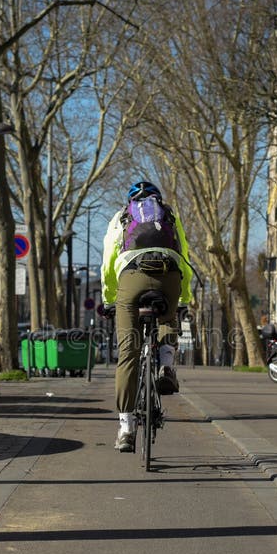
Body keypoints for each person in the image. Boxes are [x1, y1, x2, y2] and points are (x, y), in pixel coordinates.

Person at [101, 180, 193, 453]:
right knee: (167, 319)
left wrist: (109, 299)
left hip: (132, 276)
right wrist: (183, 299)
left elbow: (108, 260)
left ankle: (126, 428)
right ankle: (166, 364)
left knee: (128, 352)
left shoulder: (121, 217)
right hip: (169, 274)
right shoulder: (170, 215)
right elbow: (184, 257)